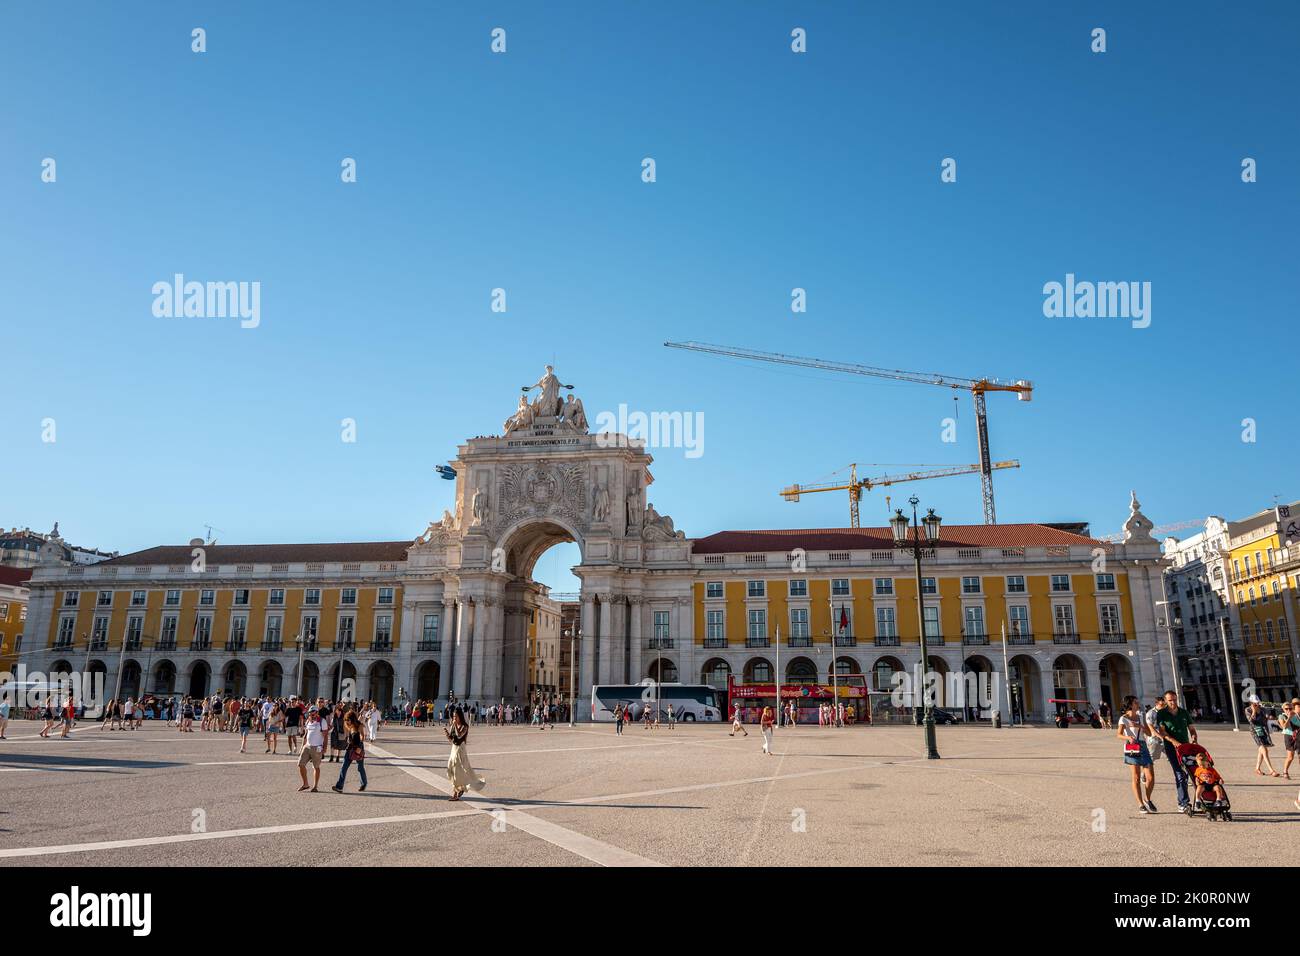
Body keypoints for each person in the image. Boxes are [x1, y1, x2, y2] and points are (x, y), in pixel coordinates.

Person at [1154, 689, 1196, 813]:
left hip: (1185, 747)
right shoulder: (1161, 714)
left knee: (1187, 773)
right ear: (1165, 701)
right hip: (1171, 748)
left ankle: (1186, 800)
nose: (1173, 702)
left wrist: (1194, 738)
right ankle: (1183, 803)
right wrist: (1173, 741)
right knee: (1179, 773)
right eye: (1170, 700)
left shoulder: (1184, 712)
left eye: (1174, 700)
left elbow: (1191, 728)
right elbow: (1162, 732)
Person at [1117, 696, 1156, 813]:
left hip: (1143, 746)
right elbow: (1118, 734)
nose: (1138, 703)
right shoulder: (1123, 719)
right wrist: (1128, 737)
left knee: (1150, 777)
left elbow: (1149, 733)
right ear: (1130, 704)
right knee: (1136, 777)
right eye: (1135, 702)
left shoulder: (1140, 716)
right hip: (1132, 747)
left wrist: (1141, 727)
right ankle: (1140, 804)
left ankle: (1147, 799)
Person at [445, 707, 486, 800]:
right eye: (453, 716)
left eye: (456, 716)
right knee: (451, 769)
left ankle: (455, 794)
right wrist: (447, 734)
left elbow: (459, 735)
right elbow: (451, 739)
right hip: (454, 748)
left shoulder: (465, 726)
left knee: (458, 771)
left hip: (460, 749)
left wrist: (455, 725)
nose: (454, 718)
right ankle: (461, 788)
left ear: (460, 716)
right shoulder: (453, 725)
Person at [331, 712, 368, 793]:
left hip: (358, 747)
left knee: (360, 767)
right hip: (350, 748)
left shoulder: (359, 725)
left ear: (352, 719)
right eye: (345, 720)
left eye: (348, 720)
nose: (346, 721)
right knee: (344, 767)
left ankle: (364, 784)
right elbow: (349, 736)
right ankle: (339, 786)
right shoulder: (349, 725)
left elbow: (362, 736)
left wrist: (359, 747)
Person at [1246, 700, 1280, 777]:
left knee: (1261, 750)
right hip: (1255, 731)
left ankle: (1257, 768)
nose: (1257, 704)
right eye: (1255, 702)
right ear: (1251, 702)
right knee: (1264, 750)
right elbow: (1251, 721)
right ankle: (1272, 771)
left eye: (1258, 702)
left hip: (1263, 730)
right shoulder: (1248, 709)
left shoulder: (1262, 709)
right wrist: (1254, 711)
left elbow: (1265, 719)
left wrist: (1268, 717)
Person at [298, 709, 326, 792]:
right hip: (307, 746)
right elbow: (306, 735)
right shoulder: (308, 721)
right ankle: (305, 784)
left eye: (313, 714)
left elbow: (325, 735)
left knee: (316, 767)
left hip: (317, 747)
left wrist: (324, 748)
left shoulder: (322, 721)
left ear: (317, 713)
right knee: (300, 764)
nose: (311, 715)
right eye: (310, 714)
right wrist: (302, 747)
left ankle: (315, 786)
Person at [1277, 700, 1299, 780]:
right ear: (1283, 709)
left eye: (1290, 708)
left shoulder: (1296, 715)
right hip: (1289, 737)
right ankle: (1285, 771)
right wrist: (1289, 717)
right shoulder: (1281, 716)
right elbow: (1284, 726)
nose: (1288, 710)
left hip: (1298, 736)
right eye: (1286, 709)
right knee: (1290, 757)